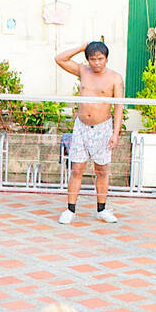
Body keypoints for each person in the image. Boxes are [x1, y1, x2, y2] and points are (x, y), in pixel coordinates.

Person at [54, 40, 123, 225]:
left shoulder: (115, 78)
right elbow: (60, 59)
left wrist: (115, 133)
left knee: (101, 170)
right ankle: (70, 209)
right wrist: (80, 47)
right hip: (81, 127)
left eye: (100, 59)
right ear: (88, 59)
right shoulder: (83, 71)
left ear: (106, 58)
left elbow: (119, 107)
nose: (97, 63)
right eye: (93, 59)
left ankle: (102, 209)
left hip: (103, 128)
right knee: (76, 168)